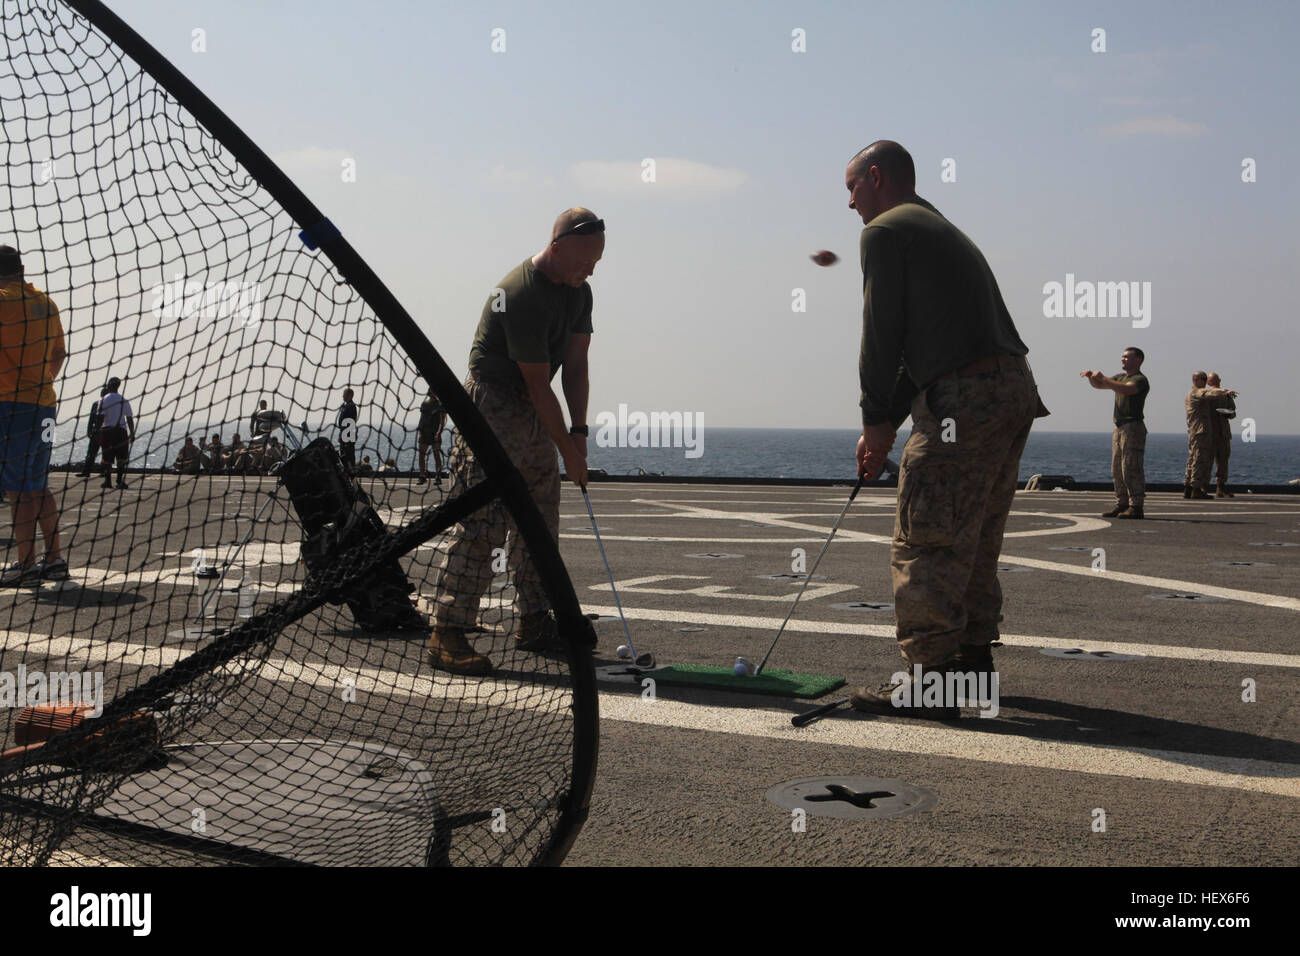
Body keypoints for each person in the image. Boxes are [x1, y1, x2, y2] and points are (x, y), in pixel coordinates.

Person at [834, 143, 1048, 720]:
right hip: (1009, 390)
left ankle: (933, 681)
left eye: (851, 187)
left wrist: (875, 420)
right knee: (972, 535)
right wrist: (886, 419)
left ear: (875, 178)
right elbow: (928, 343)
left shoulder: (884, 231)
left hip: (964, 400)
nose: (848, 202)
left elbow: (882, 334)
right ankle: (973, 668)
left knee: (926, 536)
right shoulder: (936, 225)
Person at [427, 208, 600, 676]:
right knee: (482, 523)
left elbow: (577, 365)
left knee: (540, 520)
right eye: (585, 261)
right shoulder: (519, 293)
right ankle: (448, 631)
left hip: (531, 407)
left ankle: (535, 620)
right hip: (494, 404)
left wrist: (579, 436)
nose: (590, 271)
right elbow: (538, 384)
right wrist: (567, 450)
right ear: (558, 247)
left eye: (597, 263)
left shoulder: (578, 292)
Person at [0, 244, 69, 584]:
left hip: (9, 406)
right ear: (22, 267)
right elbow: (60, 352)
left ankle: (25, 565)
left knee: (16, 488)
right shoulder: (46, 302)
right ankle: (54, 558)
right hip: (44, 404)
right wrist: (39, 382)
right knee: (38, 483)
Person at [1081, 347, 1150, 518]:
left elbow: (1126, 389)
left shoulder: (1140, 379)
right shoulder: (1120, 377)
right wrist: (1092, 378)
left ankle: (1136, 506)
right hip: (1119, 427)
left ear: (1138, 360)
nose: (1123, 359)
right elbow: (1100, 385)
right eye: (1122, 357)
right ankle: (1122, 503)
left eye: (1127, 357)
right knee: (1117, 468)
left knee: (1131, 467)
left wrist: (1103, 377)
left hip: (1132, 426)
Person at [96, 377, 135, 489]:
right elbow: (129, 418)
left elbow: (100, 418)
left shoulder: (104, 400)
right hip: (121, 430)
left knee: (107, 457)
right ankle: (119, 480)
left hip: (107, 431)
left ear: (109, 385)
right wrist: (132, 433)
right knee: (122, 457)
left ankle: (108, 481)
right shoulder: (124, 400)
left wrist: (97, 432)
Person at [1182, 370, 1215, 500]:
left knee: (1192, 459)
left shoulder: (1194, 393)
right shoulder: (1197, 392)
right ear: (1196, 380)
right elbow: (1212, 393)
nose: (1206, 381)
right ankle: (1195, 488)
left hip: (1195, 431)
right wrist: (1225, 392)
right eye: (1203, 378)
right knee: (1199, 459)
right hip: (1200, 431)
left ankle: (1188, 488)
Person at [1205, 372, 1237, 497]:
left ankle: (1221, 487)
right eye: (1212, 381)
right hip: (1210, 432)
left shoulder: (1226, 395)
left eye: (1216, 380)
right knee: (1207, 461)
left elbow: (1233, 413)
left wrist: (1228, 413)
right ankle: (1203, 487)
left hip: (1223, 432)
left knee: (1223, 462)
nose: (1215, 383)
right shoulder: (1207, 394)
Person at [75, 386, 108, 477]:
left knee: (96, 453)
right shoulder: (98, 404)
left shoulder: (99, 404)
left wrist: (89, 430)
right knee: (95, 453)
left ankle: (93, 471)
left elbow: (91, 419)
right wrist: (89, 430)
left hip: (101, 431)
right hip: (102, 431)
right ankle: (93, 471)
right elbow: (91, 418)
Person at [416, 388, 446, 486]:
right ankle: (422, 475)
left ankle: (438, 476)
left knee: (436, 455)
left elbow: (443, 420)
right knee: (421, 455)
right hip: (425, 431)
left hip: (435, 432)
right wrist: (420, 433)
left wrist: (439, 432)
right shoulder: (425, 404)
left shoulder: (440, 404)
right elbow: (421, 419)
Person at [336, 388, 358, 475]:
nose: (343, 396)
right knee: (344, 453)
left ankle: (350, 470)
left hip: (348, 433)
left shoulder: (351, 406)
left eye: (345, 394)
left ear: (350, 395)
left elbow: (350, 421)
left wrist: (344, 434)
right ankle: (347, 470)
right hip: (345, 433)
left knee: (348, 453)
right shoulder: (346, 406)